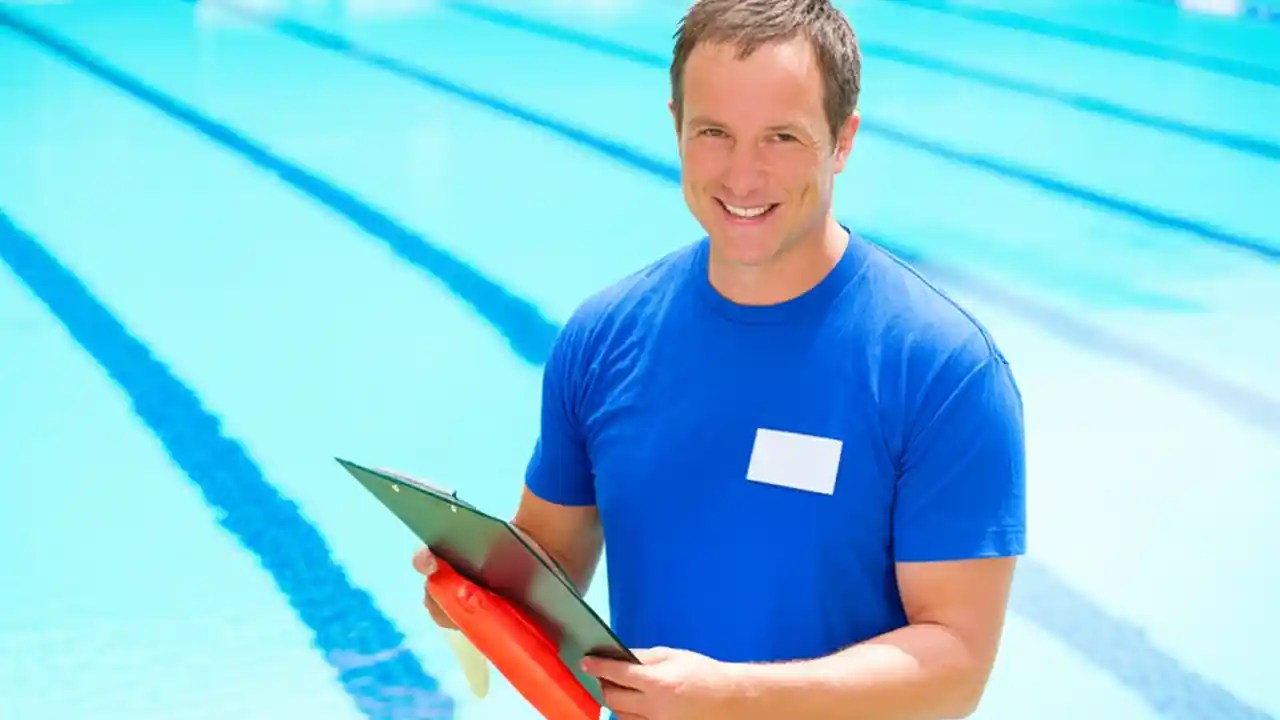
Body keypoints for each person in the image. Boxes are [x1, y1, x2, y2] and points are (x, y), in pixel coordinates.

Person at [413, 0, 1026, 717]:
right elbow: (552, 568)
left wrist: (733, 697)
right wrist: (470, 589)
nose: (743, 175)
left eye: (781, 137)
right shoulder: (604, 337)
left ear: (843, 141)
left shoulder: (942, 371)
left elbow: (956, 664)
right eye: (714, 132)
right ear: (676, 125)